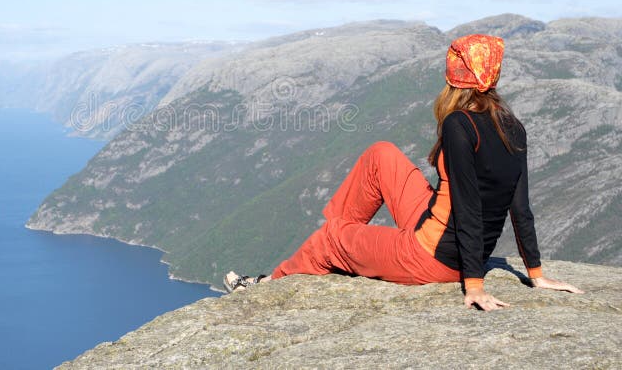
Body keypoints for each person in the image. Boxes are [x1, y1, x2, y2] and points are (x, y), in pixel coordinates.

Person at [223, 34, 584, 311]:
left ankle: (273, 281)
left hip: (430, 257)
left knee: (331, 237)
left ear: (456, 77)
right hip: (439, 233)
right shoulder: (513, 126)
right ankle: (347, 244)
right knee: (382, 154)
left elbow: (470, 205)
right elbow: (520, 207)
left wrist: (474, 284)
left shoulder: (460, 123)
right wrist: (535, 275)